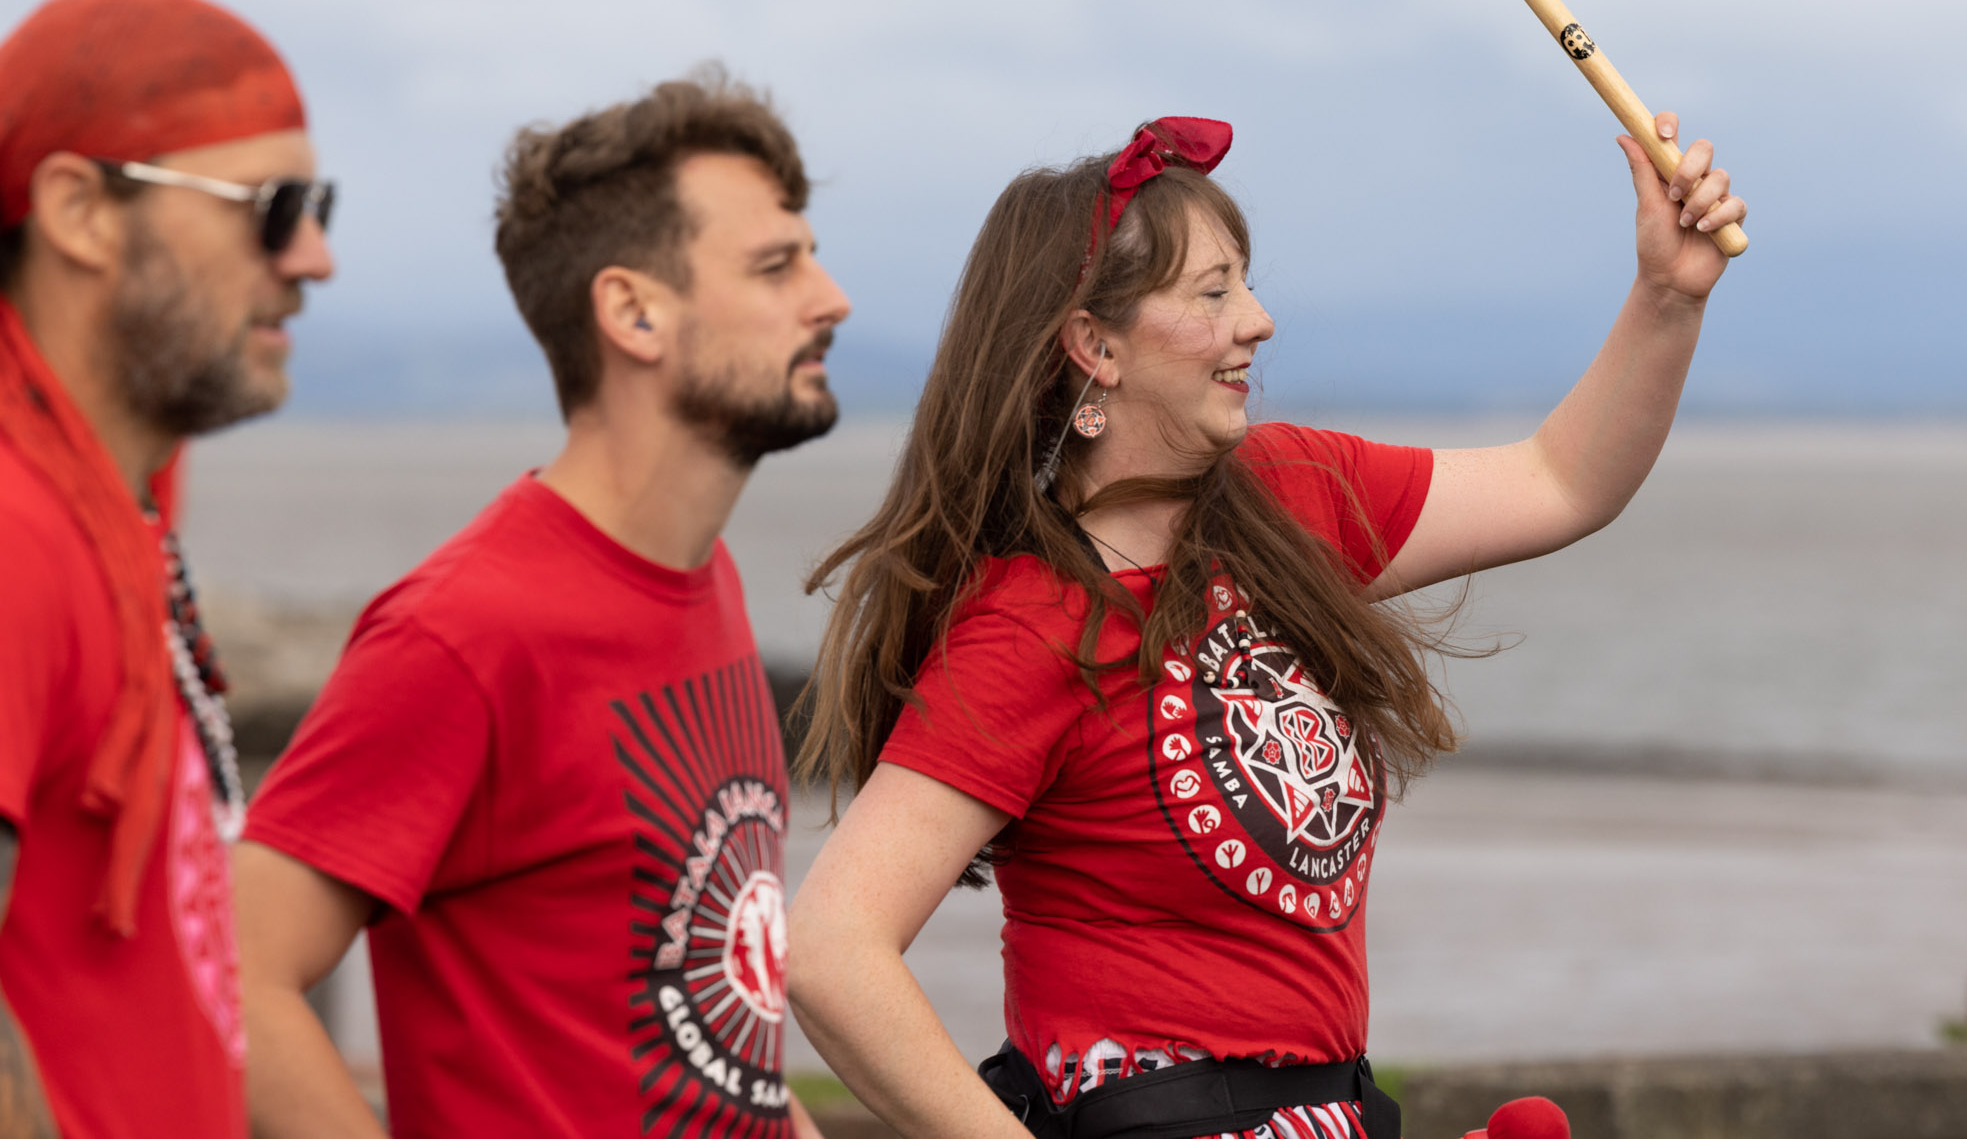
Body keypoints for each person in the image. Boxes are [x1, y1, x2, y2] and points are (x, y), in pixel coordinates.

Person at [786, 112, 1746, 1138]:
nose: (1256, 319)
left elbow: (1560, 480)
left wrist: (1664, 296)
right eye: (1212, 293)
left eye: (1242, 282)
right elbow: (830, 949)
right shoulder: (1031, 625)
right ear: (1093, 346)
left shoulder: (1288, 494)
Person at [234, 73, 848, 1138]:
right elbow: (240, 973)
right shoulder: (463, 631)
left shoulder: (707, 575)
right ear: (632, 311)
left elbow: (694, 1006)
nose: (828, 295)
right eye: (775, 263)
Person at [0, 0, 335, 1138]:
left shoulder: (109, 519)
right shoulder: (18, 539)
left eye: (320, 203)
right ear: (80, 212)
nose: (316, 257)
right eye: (272, 206)